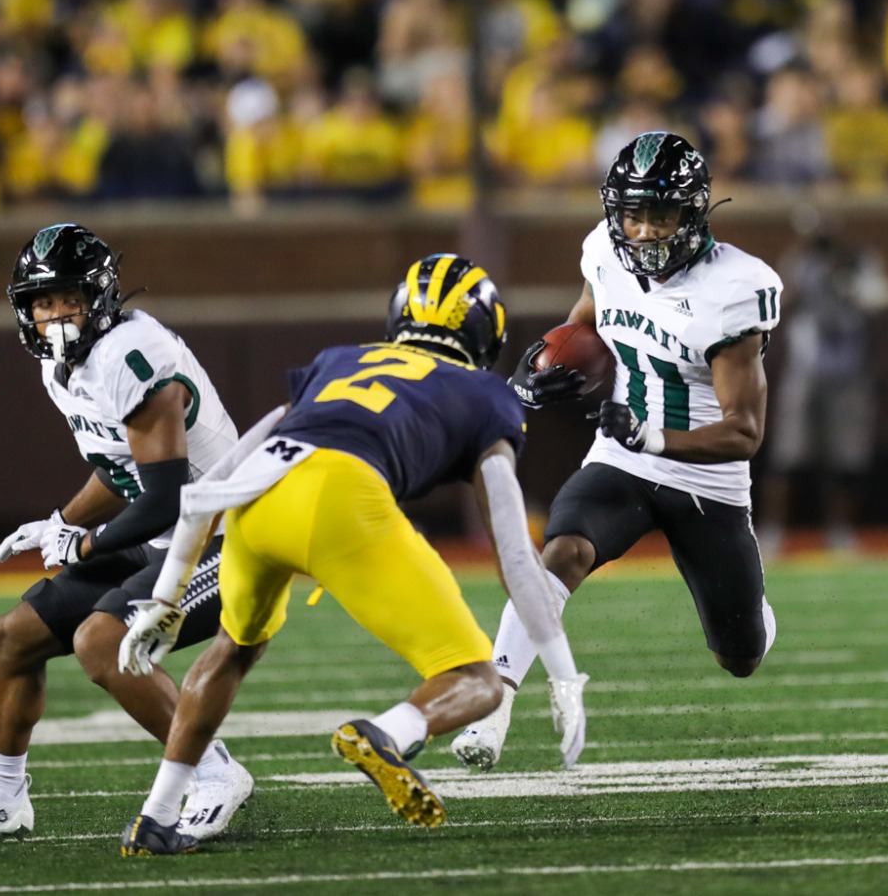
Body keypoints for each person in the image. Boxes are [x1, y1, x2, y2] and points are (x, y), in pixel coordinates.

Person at [115, 255, 585, 853]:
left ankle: (154, 818)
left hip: (257, 504)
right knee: (478, 678)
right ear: (485, 333)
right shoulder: (487, 395)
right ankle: (387, 734)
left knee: (232, 648)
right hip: (344, 500)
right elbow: (515, 553)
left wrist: (166, 596)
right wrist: (564, 676)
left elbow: (214, 485)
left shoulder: (339, 362)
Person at [0, 224, 253, 841]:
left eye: (70, 299)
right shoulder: (63, 365)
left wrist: (85, 544)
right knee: (14, 637)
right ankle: (1, 796)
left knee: (102, 640)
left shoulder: (132, 355)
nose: (57, 313)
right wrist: (65, 520)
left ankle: (213, 773)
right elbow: (120, 470)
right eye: (43, 302)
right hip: (166, 535)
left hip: (231, 538)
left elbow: (166, 494)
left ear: (101, 298)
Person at [453, 132, 783, 770]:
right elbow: (584, 325)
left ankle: (754, 616)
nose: (644, 229)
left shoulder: (735, 288)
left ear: (693, 214)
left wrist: (657, 437)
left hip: (707, 476)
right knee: (561, 551)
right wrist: (543, 368)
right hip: (623, 458)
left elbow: (745, 431)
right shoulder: (605, 251)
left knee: (740, 655)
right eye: (633, 212)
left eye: (661, 214)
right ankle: (491, 703)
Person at [757, 206, 884, 555]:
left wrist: (841, 278)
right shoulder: (798, 262)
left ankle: (839, 531)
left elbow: (873, 304)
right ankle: (772, 530)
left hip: (849, 371)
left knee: (846, 459)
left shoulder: (859, 262)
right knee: (787, 456)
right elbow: (781, 307)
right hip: (806, 370)